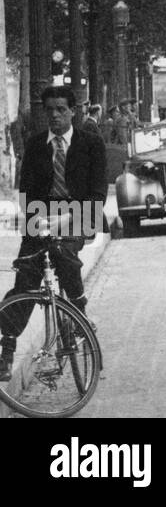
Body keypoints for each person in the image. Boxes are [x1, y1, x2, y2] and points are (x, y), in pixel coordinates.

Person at [0, 85, 108, 382]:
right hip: (42, 217)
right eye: (50, 110)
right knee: (26, 274)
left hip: (80, 214)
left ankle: (79, 312)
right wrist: (39, 221)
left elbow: (98, 192)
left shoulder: (90, 143)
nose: (56, 116)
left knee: (62, 251)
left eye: (62, 109)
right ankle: (7, 349)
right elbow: (26, 191)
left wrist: (70, 217)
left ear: (74, 111)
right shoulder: (36, 145)